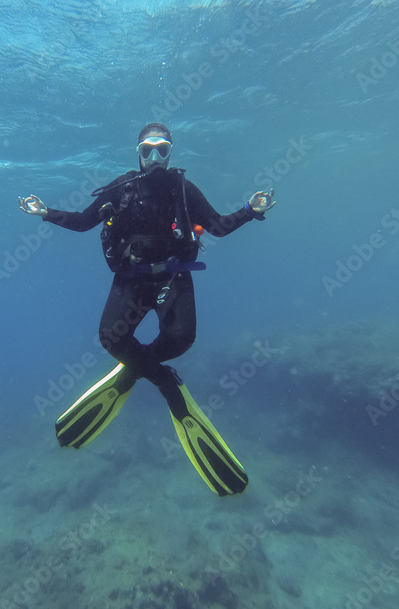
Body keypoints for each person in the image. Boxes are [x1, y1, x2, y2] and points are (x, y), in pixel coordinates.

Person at [19, 123, 275, 495]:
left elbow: (216, 226)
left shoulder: (183, 190)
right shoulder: (120, 190)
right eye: (147, 150)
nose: (154, 158)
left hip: (173, 275)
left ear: (171, 153)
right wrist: (46, 212)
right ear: (137, 153)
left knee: (182, 338)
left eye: (162, 150)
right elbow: (83, 222)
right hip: (132, 278)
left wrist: (250, 210)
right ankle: (162, 380)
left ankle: (133, 373)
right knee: (110, 337)